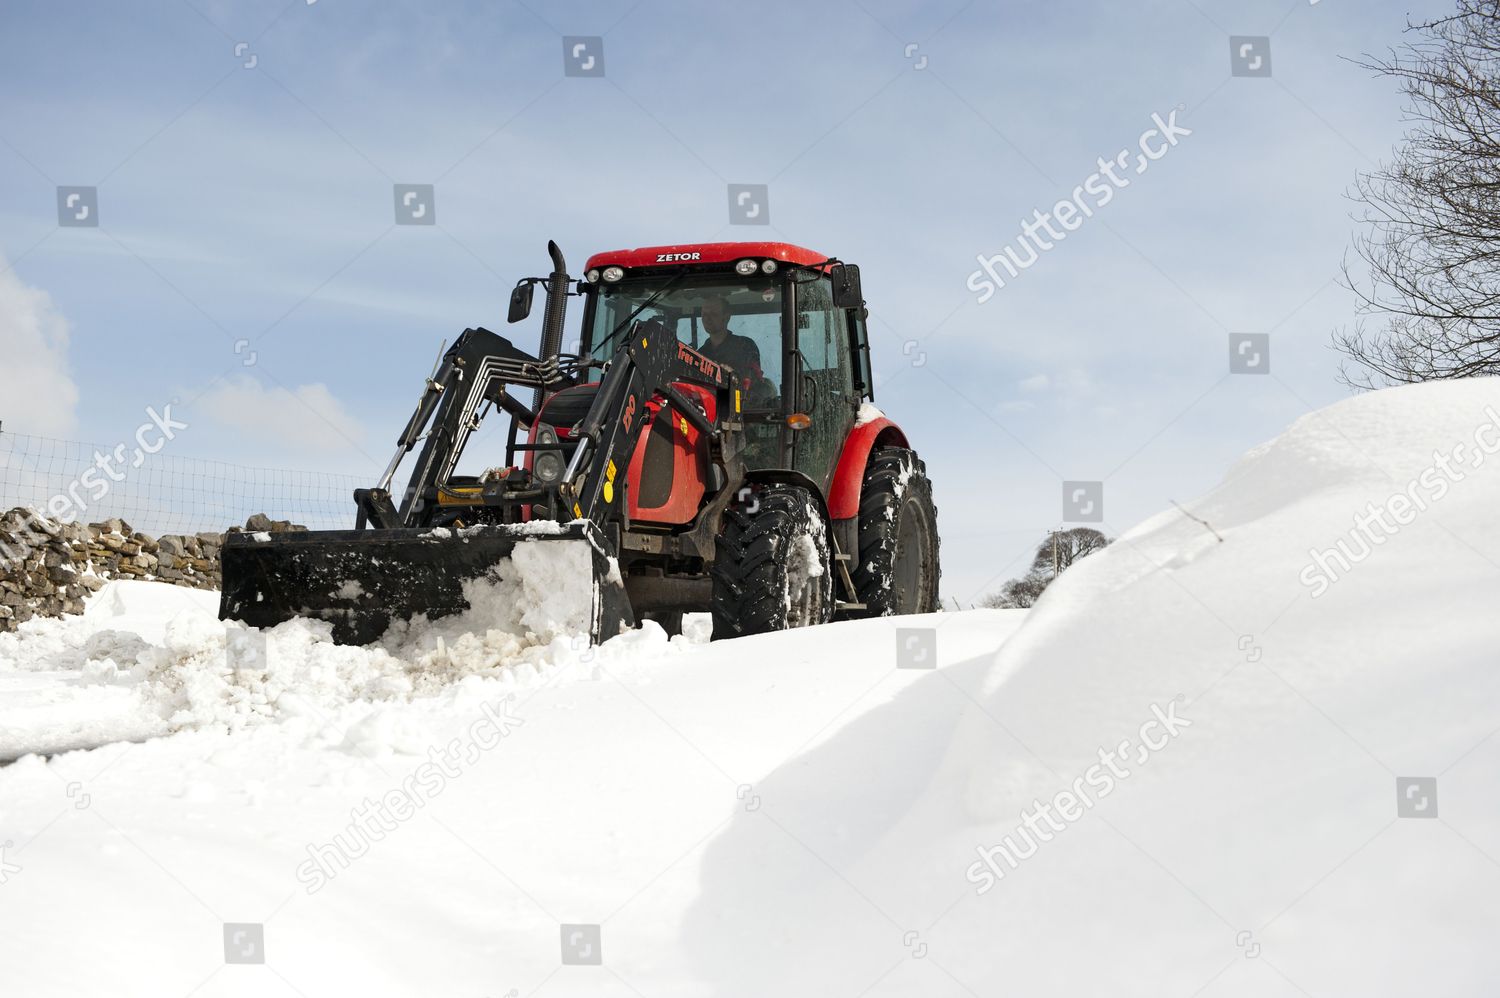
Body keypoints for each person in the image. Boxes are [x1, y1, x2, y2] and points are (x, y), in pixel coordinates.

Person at [697, 296, 764, 389]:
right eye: (704, 314)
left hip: (739, 402)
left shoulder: (745, 346)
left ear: (726, 317)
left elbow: (756, 383)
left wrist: (732, 376)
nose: (707, 318)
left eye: (713, 314)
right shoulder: (700, 354)